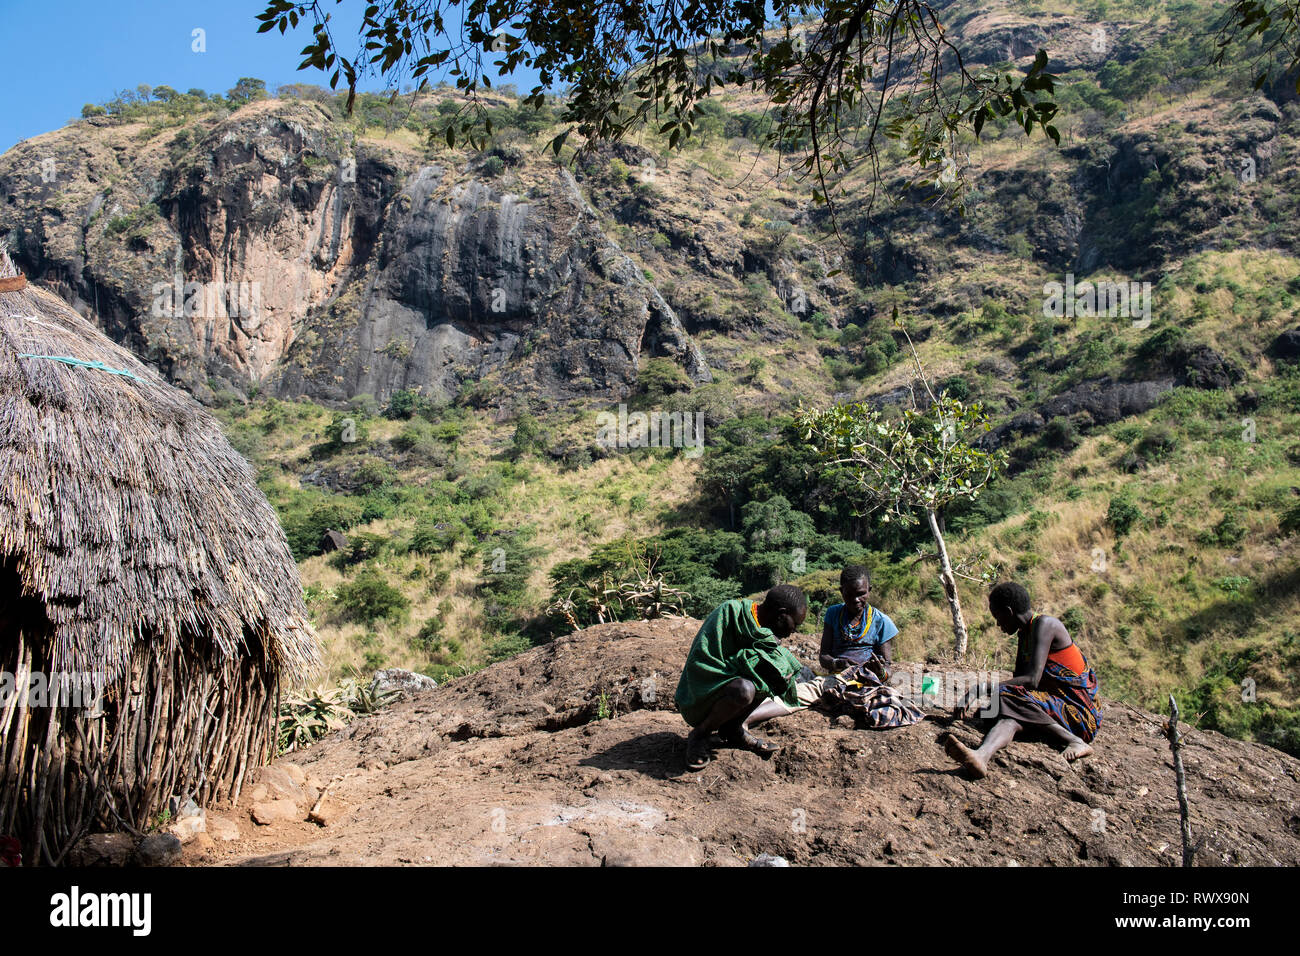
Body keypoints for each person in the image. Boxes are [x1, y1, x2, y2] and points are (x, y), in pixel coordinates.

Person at [945, 581, 1102, 779]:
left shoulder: (1045, 624)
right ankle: (981, 757)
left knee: (1005, 698)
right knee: (1006, 715)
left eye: (998, 617)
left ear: (1009, 611)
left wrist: (982, 689)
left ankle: (1075, 741)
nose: (998, 625)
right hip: (1048, 707)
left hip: (1078, 714)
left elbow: (1031, 681)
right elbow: (1019, 684)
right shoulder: (1025, 634)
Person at [675, 585, 807, 770]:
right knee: (745, 689)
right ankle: (700, 734)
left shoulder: (767, 635)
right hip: (702, 694)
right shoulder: (730, 613)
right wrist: (745, 664)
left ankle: (733, 729)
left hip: (730, 690)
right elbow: (701, 662)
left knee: (772, 672)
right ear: (781, 614)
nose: (794, 631)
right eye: (795, 624)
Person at [819, 565, 897, 677]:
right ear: (841, 591)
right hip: (837, 677)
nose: (855, 600)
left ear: (869, 590)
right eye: (849, 594)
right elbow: (823, 656)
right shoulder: (833, 614)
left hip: (868, 680)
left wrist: (880, 672)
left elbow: (887, 667)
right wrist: (837, 663)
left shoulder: (881, 621)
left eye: (861, 594)